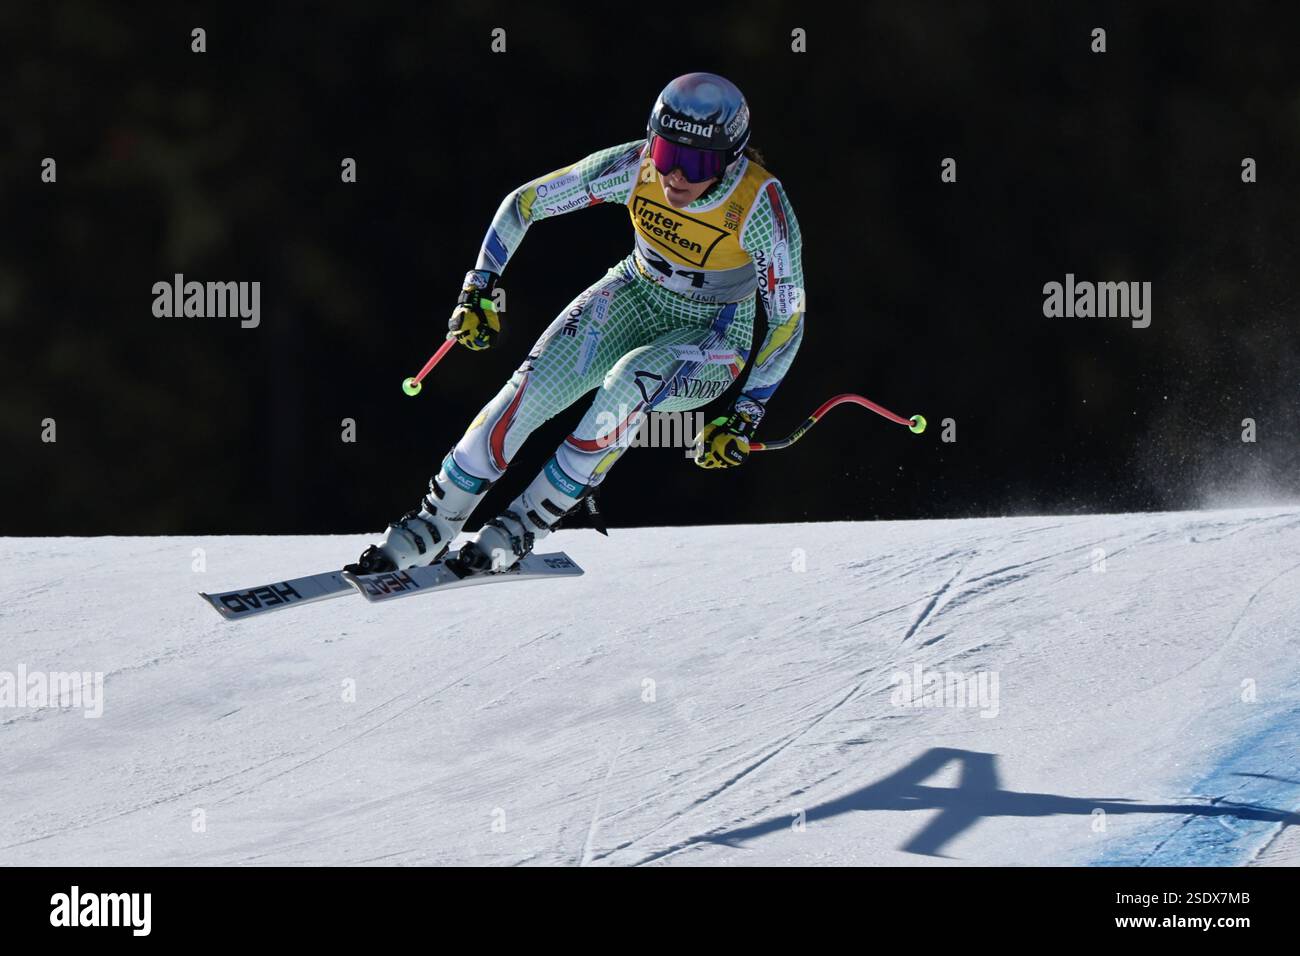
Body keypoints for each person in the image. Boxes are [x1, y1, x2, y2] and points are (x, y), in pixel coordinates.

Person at [346, 71, 806, 576]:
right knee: (529, 390)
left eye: (696, 163)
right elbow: (523, 205)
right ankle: (430, 524)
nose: (675, 176)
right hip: (634, 292)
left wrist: (745, 415)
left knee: (626, 384)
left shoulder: (760, 206)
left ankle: (522, 524)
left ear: (732, 160)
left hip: (714, 335)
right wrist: (479, 289)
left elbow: (787, 321)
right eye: (666, 154)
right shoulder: (634, 168)